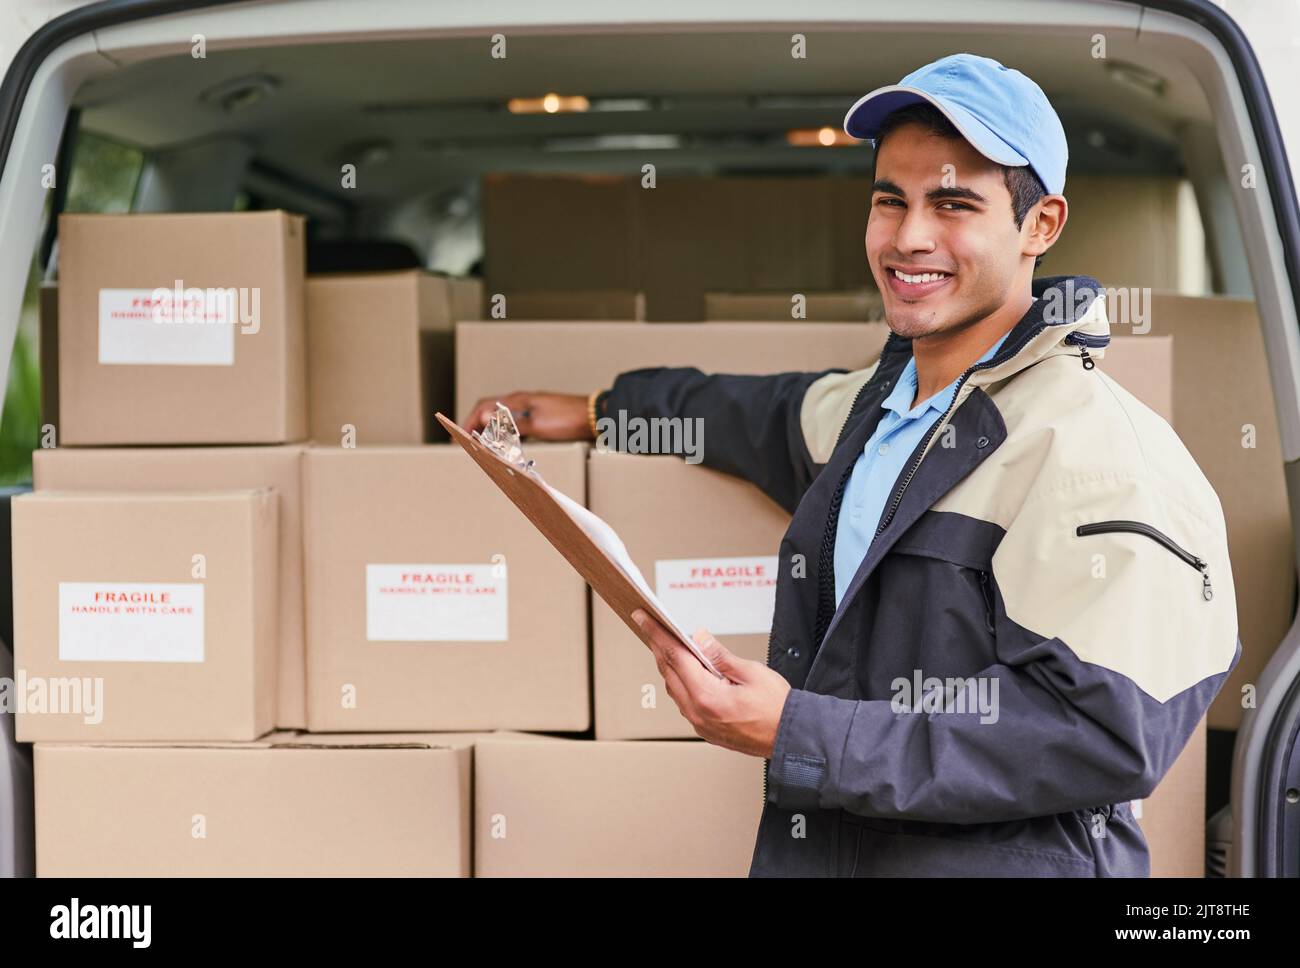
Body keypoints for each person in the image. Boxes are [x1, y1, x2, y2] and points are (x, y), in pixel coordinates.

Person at [462, 53, 1241, 877]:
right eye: (889, 202)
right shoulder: (880, 410)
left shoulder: (1104, 457)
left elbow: (1102, 738)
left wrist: (798, 732)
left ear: (1040, 226)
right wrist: (593, 411)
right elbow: (751, 416)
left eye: (953, 204)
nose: (909, 238)